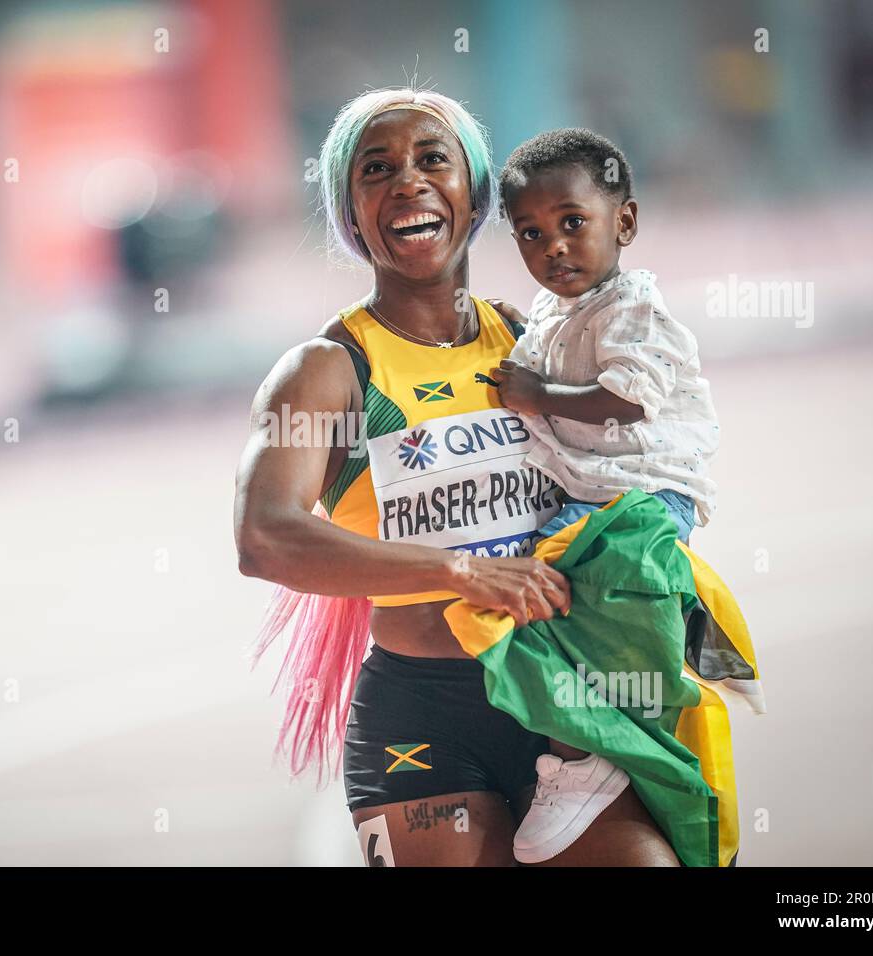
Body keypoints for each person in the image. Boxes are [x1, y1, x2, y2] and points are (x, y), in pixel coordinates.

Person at [234, 90, 681, 866]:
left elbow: (639, 454)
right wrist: (463, 572)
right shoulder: (329, 369)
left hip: (567, 706)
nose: (407, 181)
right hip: (424, 715)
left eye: (431, 159)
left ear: (474, 195)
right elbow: (265, 536)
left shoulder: (536, 339)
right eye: (377, 169)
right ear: (350, 208)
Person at [482, 128, 721, 863]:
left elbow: (625, 401)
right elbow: (518, 363)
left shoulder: (632, 308)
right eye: (531, 233)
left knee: (570, 590)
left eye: (572, 224)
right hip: (595, 493)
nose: (553, 247)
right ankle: (591, 738)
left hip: (645, 494)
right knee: (529, 596)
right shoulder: (553, 309)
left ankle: (598, 751)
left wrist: (537, 391)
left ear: (625, 222)